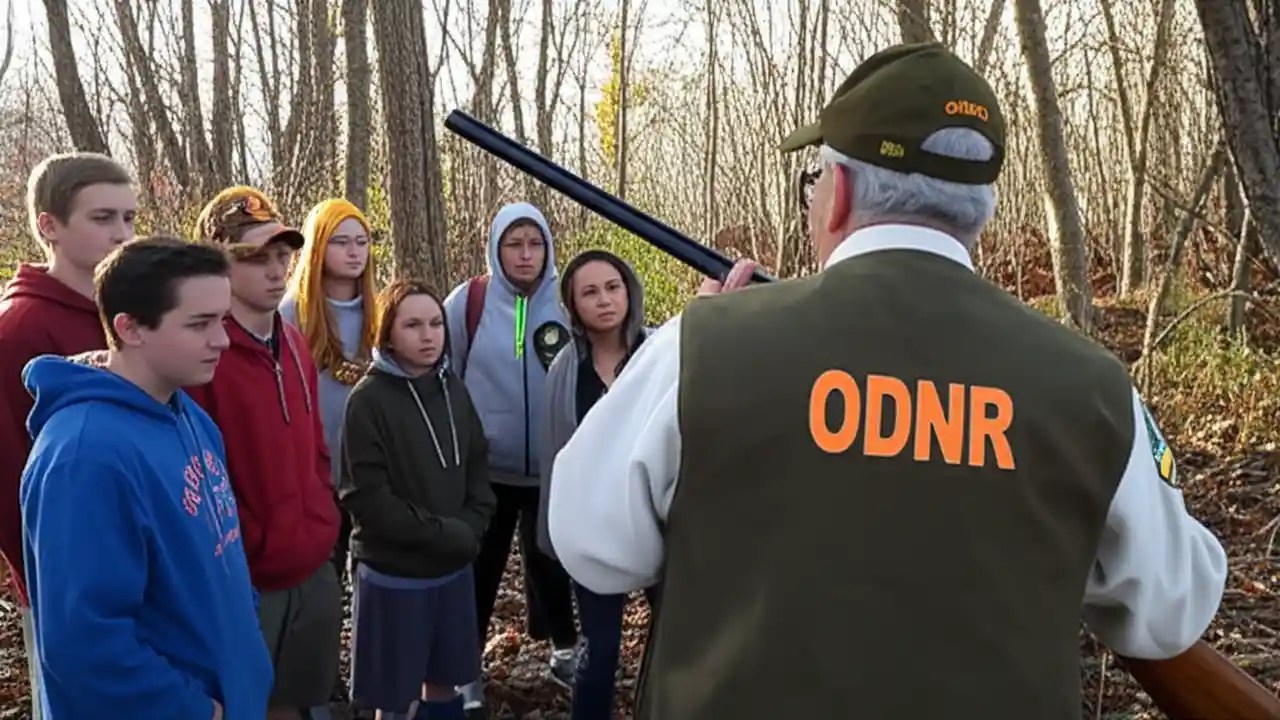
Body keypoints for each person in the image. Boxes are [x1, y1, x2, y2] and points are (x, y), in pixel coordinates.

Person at [546, 42, 1229, 719]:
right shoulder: (1094, 388)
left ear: (837, 193)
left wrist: (709, 351)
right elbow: (1171, 608)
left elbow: (592, 544)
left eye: (813, 184)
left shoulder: (698, 346)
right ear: (979, 211)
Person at [20, 236, 272, 719]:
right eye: (199, 324)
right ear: (130, 328)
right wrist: (199, 710)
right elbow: (86, 646)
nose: (222, 339)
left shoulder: (188, 414)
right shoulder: (83, 457)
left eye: (223, 319)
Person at [186, 186, 343, 720]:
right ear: (218, 266)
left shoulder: (296, 342)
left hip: (312, 564)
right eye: (254, 258)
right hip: (246, 581)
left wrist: (324, 521)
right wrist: (243, 551)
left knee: (300, 702)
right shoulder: (202, 356)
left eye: (282, 255)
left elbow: (315, 447)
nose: (276, 271)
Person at [0, 151, 136, 720]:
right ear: (48, 227)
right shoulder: (19, 330)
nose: (122, 233)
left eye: (130, 218)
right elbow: (11, 475)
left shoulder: (133, 309)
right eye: (103, 218)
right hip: (73, 583)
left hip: (146, 560)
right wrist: (51, 581)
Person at [442, 202, 580, 712]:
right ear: (496, 248)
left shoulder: (568, 301)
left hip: (555, 468)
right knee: (479, 569)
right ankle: (464, 671)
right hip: (486, 472)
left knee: (553, 563)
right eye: (514, 244)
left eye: (534, 244)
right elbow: (445, 372)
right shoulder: (469, 302)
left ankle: (566, 651)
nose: (525, 255)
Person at [340, 279, 497, 720]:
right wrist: (449, 534)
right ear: (388, 332)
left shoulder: (453, 388)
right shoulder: (367, 401)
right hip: (396, 573)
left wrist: (473, 523)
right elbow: (367, 499)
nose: (428, 336)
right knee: (395, 698)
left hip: (451, 568)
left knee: (444, 683)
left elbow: (478, 466)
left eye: (435, 324)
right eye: (412, 325)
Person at [535, 250, 659, 720]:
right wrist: (556, 534)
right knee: (601, 647)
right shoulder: (565, 371)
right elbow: (556, 458)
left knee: (670, 642)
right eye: (590, 292)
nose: (605, 300)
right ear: (573, 305)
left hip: (655, 522)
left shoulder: (658, 356)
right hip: (595, 531)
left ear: (629, 290)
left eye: (613, 287)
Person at [280, 198, 378, 583]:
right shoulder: (290, 315)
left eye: (361, 241)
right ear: (318, 246)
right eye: (340, 242)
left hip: (369, 475)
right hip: (315, 480)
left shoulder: (382, 312)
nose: (354, 252)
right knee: (323, 581)